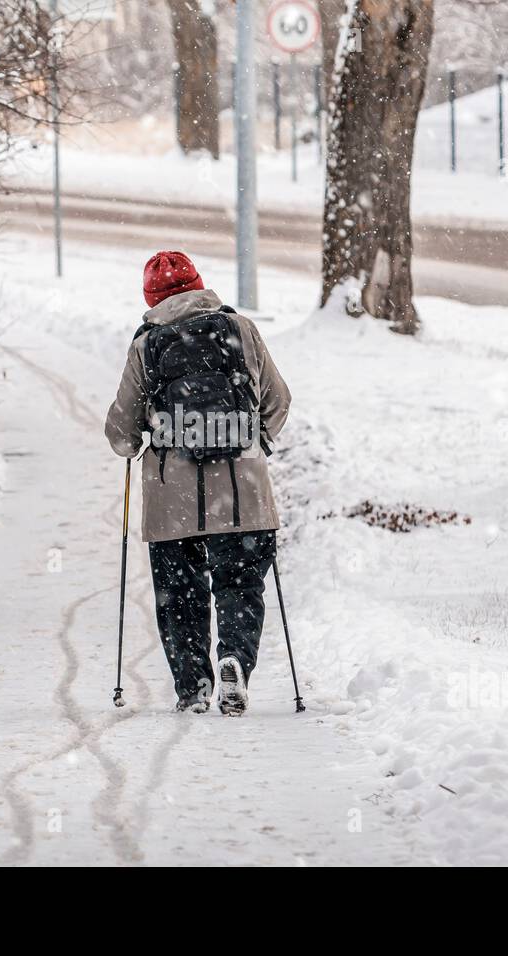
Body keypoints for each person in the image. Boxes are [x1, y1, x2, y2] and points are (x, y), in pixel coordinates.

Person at [105, 251, 291, 716]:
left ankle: (194, 688)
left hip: (173, 497)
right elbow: (278, 400)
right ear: (200, 285)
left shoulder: (146, 345)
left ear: (150, 297)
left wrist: (136, 443)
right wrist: (255, 440)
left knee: (179, 594)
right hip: (241, 488)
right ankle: (234, 660)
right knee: (240, 583)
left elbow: (122, 432)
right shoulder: (241, 330)